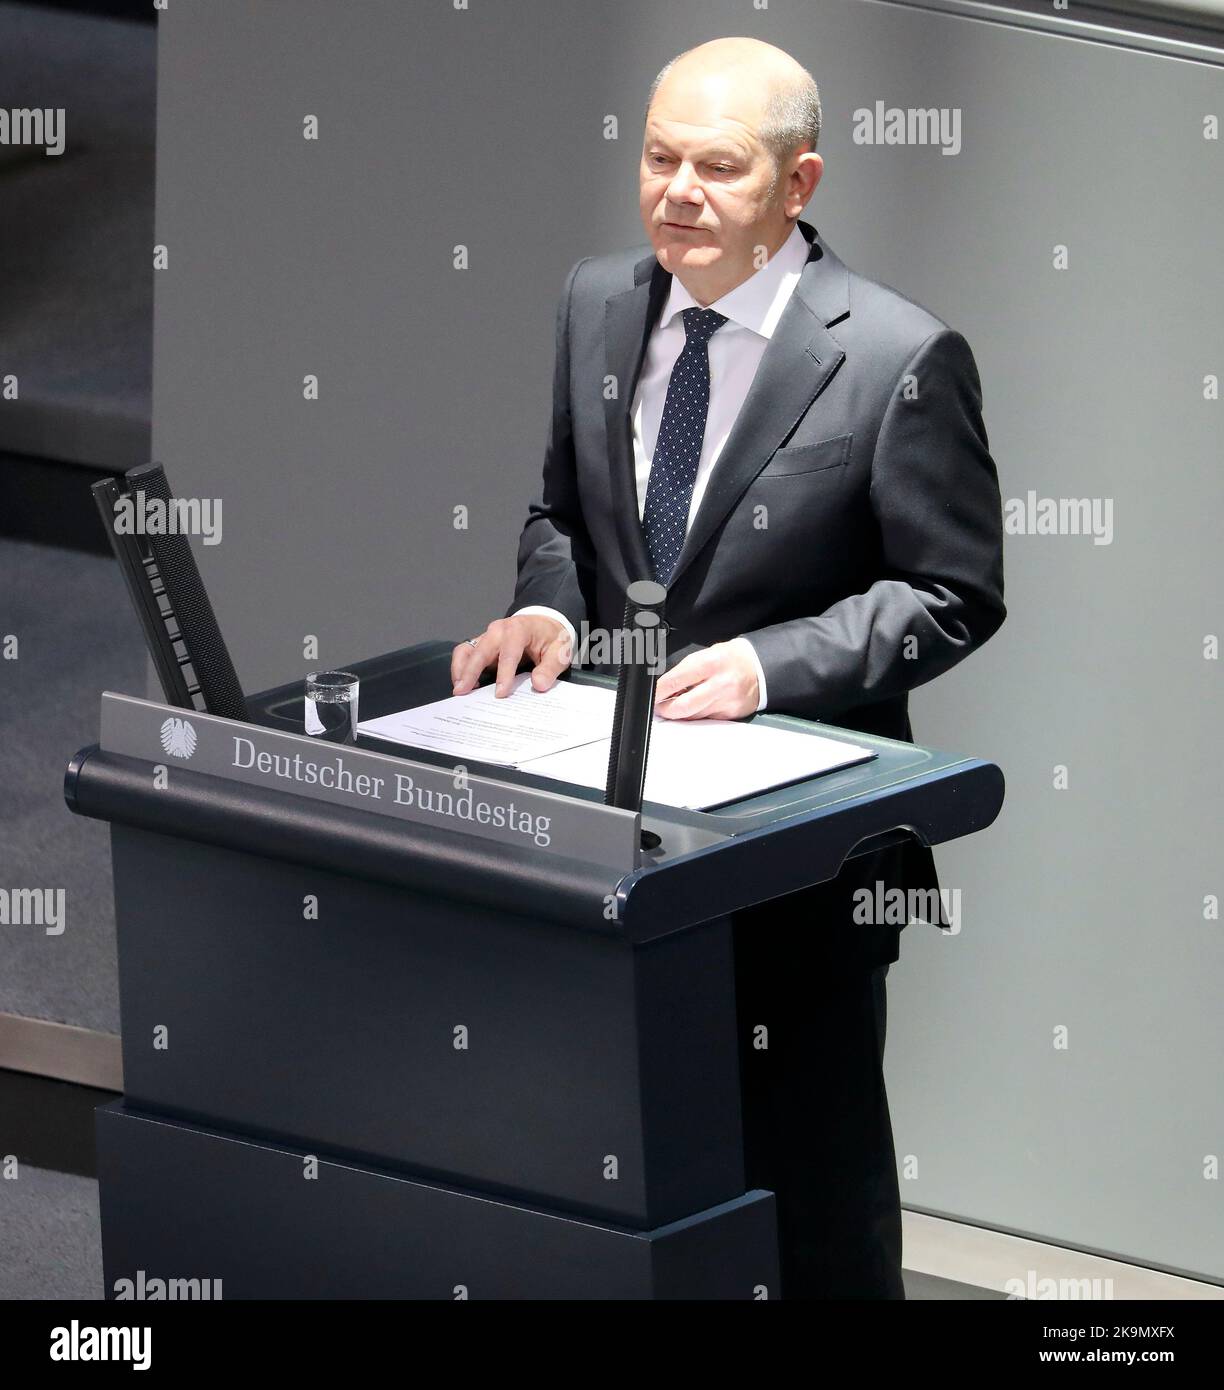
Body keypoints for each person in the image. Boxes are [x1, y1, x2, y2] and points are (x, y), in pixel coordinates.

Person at [450, 35, 1005, 1298]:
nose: (677, 192)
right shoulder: (596, 299)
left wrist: (765, 664)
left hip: (797, 861)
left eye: (718, 166)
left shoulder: (895, 358)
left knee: (806, 1187)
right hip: (601, 814)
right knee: (602, 1167)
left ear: (799, 184)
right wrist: (548, 613)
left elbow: (954, 592)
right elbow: (560, 515)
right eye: (657, 158)